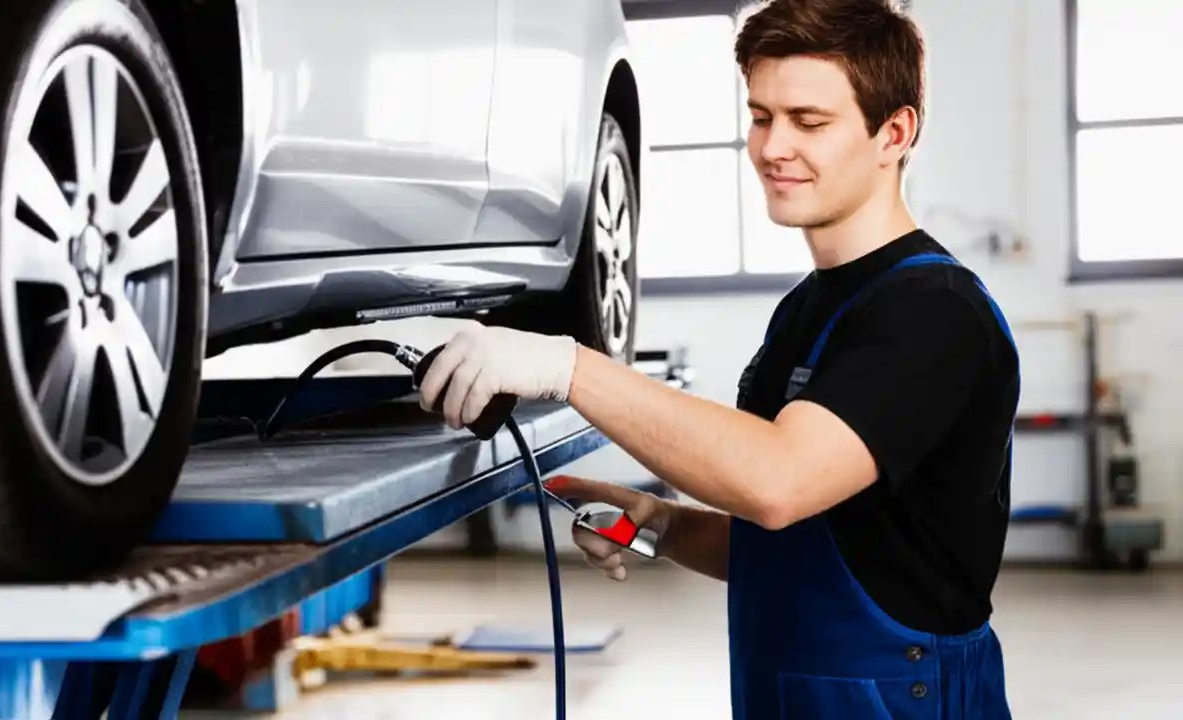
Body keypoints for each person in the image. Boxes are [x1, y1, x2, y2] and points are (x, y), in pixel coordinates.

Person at [417, 0, 1020, 717]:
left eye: (809, 121)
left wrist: (568, 367)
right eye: (762, 116)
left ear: (894, 132)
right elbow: (810, 542)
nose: (772, 147)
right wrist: (666, 525)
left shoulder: (935, 312)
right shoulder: (809, 308)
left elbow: (779, 480)